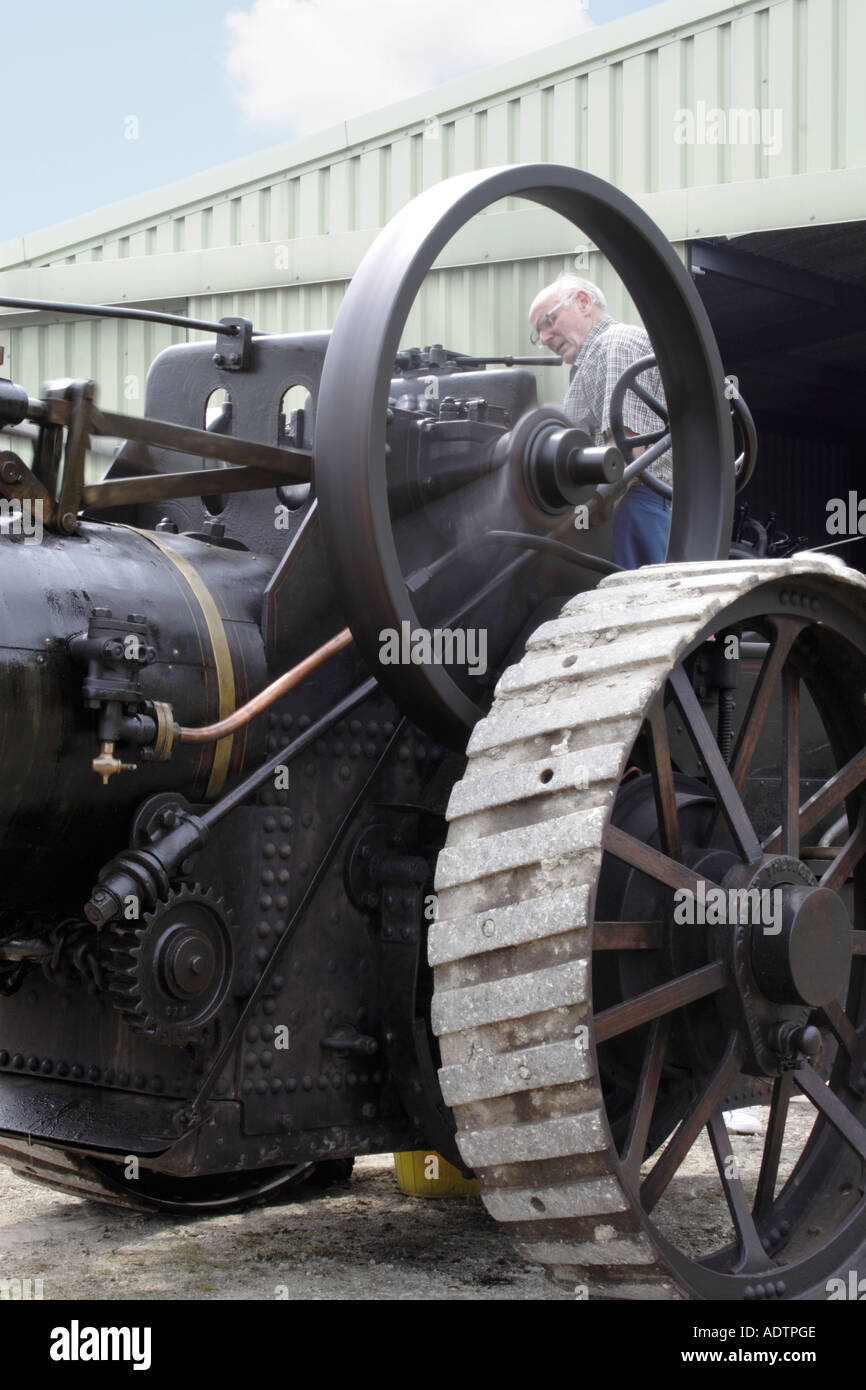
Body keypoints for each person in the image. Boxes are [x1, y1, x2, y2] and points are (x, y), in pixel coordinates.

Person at [528, 275, 672, 568]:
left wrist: (583, 519)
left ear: (583, 302)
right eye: (538, 333)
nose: (544, 338)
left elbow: (627, 449)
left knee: (636, 604)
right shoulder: (591, 360)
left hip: (635, 504)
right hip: (621, 505)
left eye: (548, 321)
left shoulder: (616, 343)